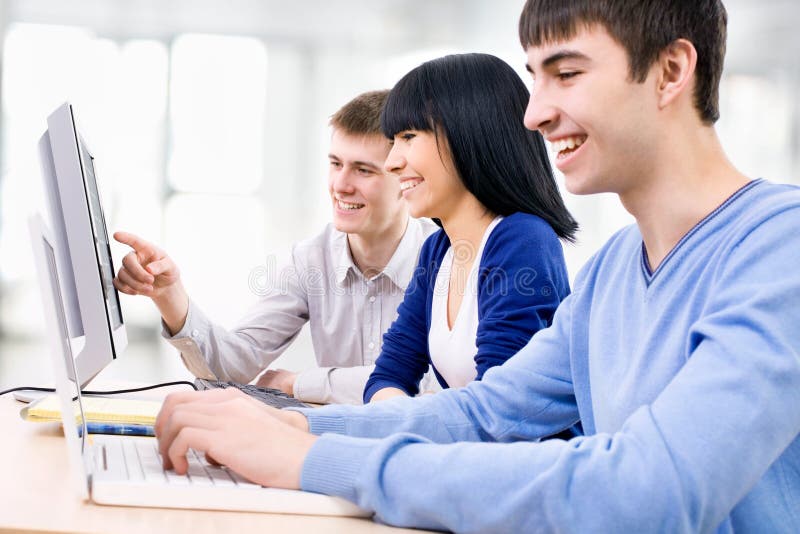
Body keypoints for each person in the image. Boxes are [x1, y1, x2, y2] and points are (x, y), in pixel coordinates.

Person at [154, 1, 800, 532]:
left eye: (565, 73)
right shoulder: (611, 275)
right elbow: (486, 413)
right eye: (533, 77)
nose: (533, 113)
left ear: (670, 71)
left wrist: (316, 458)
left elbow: (648, 490)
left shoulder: (781, 246)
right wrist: (287, 425)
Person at [113, 90, 438, 405]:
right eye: (336, 164)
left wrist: (299, 383)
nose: (341, 185)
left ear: (405, 177)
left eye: (363, 170)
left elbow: (425, 387)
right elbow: (230, 369)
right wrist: (169, 295)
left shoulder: (446, 259)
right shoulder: (311, 260)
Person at [364, 53, 577, 403]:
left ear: (469, 132)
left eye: (408, 136)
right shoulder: (438, 249)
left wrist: (403, 423)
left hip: (527, 456)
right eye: (393, 142)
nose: (391, 162)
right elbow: (389, 374)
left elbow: (497, 409)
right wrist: (398, 416)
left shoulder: (521, 239)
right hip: (463, 451)